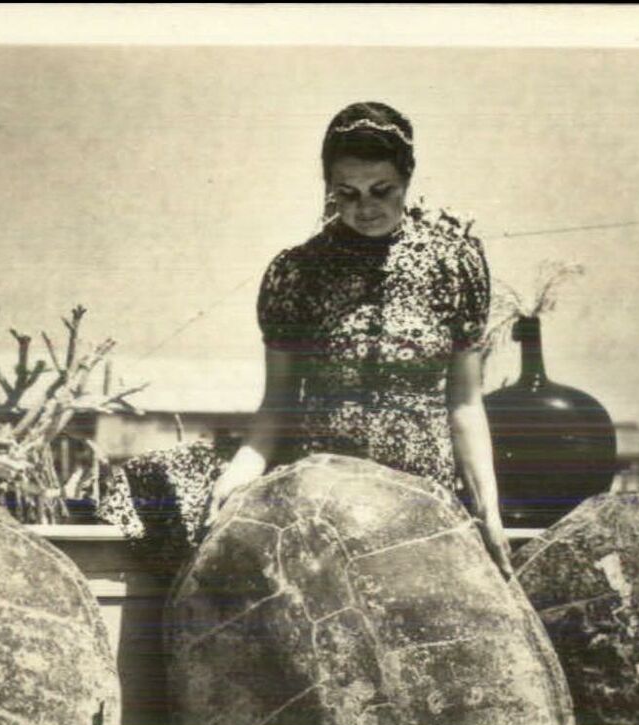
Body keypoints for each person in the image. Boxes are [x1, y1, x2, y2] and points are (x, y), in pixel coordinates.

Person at [206, 101, 513, 577]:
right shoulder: (297, 272)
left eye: (381, 190)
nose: (364, 207)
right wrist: (239, 473)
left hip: (422, 510)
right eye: (345, 193)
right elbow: (279, 405)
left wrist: (489, 511)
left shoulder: (455, 264)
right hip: (323, 513)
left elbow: (465, 404)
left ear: (407, 179)